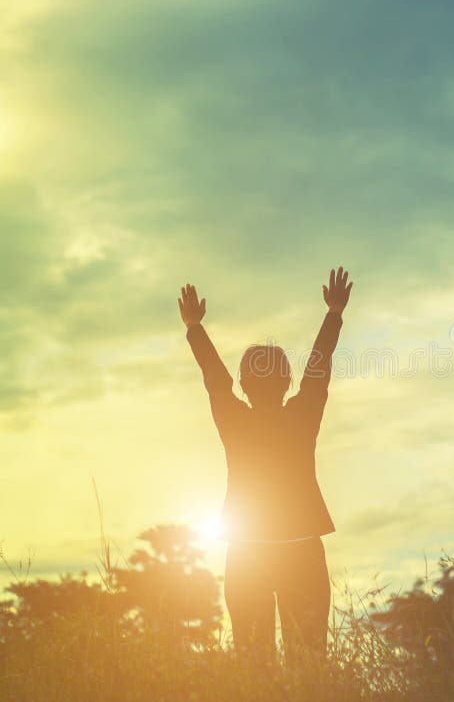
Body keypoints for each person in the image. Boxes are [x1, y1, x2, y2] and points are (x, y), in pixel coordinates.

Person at [178, 267, 353, 661]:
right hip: (302, 550)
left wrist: (194, 327)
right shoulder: (303, 416)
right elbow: (318, 370)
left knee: (253, 666)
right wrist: (334, 315)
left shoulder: (234, 420)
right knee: (309, 662)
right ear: (288, 380)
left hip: (247, 551)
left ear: (243, 382)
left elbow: (214, 380)